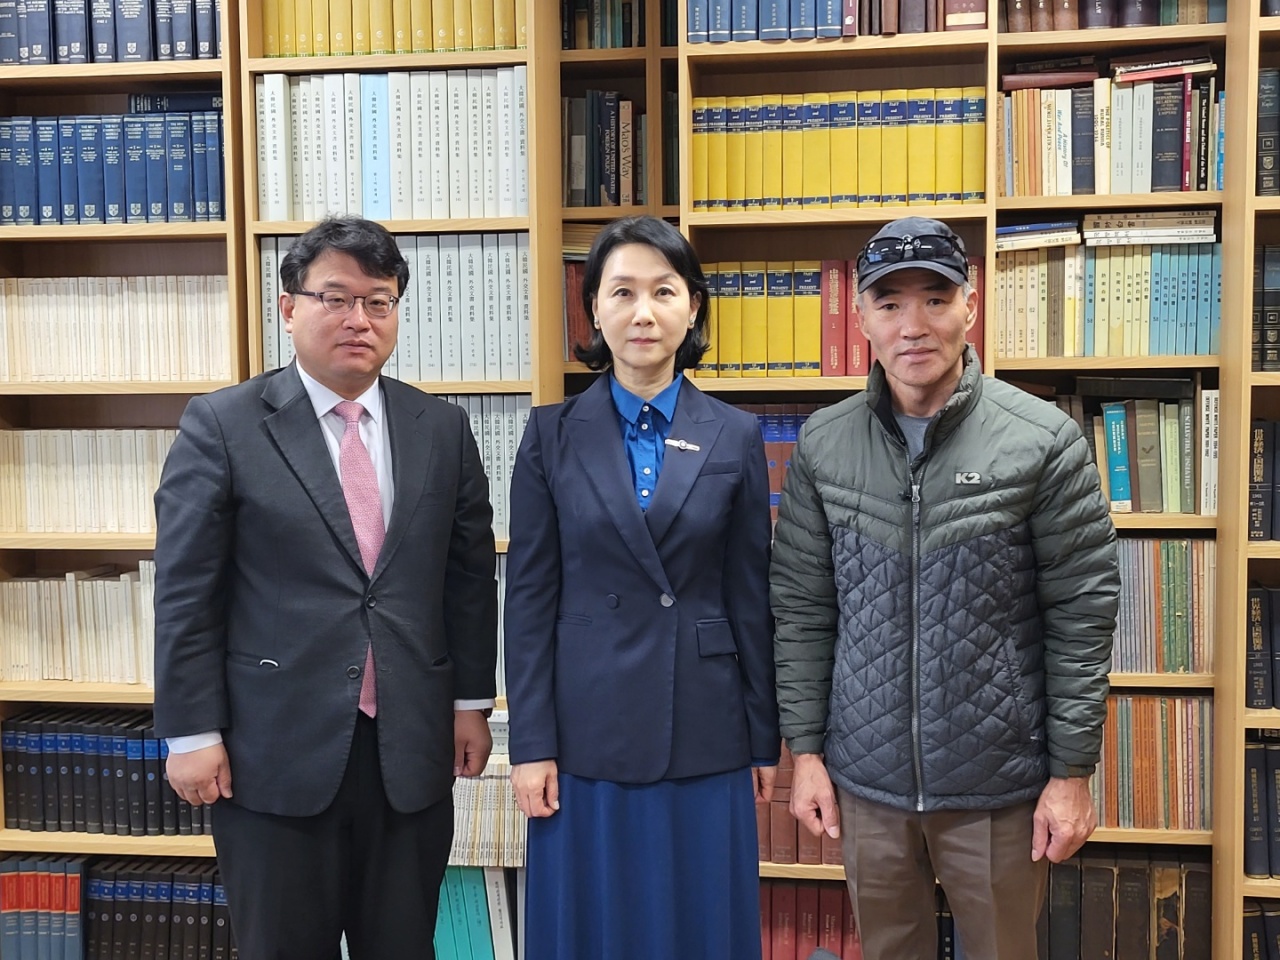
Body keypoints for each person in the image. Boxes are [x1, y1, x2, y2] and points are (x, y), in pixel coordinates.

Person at [769, 216, 1119, 960]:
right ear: (860, 317)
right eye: (889, 303)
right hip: (866, 783)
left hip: (998, 787)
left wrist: (1071, 774)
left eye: (935, 298)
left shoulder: (1041, 439)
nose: (913, 325)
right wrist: (807, 753)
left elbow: (1081, 614)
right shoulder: (824, 444)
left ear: (971, 305)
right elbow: (802, 610)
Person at [152, 215, 498, 959]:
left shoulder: (440, 427)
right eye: (335, 298)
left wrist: (471, 703)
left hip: (410, 749)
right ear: (289, 307)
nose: (358, 319)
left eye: (379, 301)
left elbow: (468, 579)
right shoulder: (223, 425)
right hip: (272, 752)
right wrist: (192, 733)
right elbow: (186, 593)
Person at [504, 215, 779, 960]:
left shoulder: (735, 433)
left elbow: (749, 594)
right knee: (594, 927)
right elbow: (527, 601)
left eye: (664, 291)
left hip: (707, 724)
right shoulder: (550, 434)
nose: (643, 312)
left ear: (693, 307)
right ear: (594, 308)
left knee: (699, 924)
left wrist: (764, 739)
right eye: (622, 292)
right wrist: (530, 745)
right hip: (584, 733)